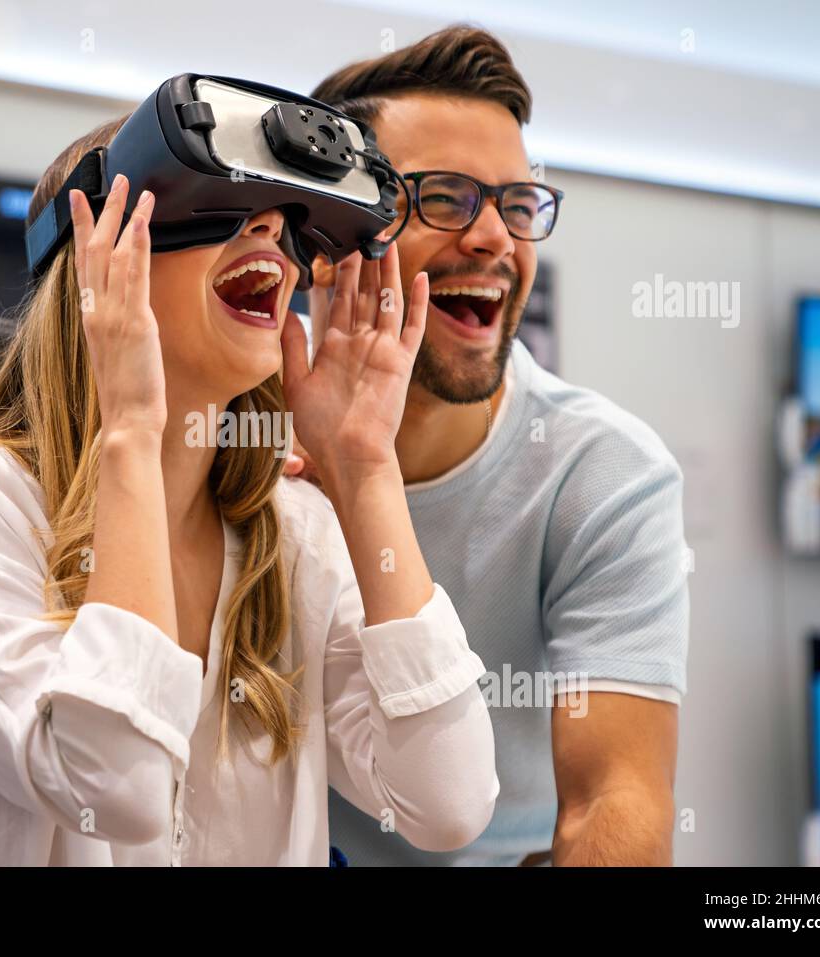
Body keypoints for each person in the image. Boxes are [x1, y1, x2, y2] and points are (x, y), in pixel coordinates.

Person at [0, 113, 499, 865]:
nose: (271, 233)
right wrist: (130, 433)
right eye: (214, 203)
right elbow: (115, 786)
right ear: (91, 269)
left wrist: (364, 467)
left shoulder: (296, 530)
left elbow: (450, 804)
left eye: (288, 226)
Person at [291, 25, 689, 866]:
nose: (495, 240)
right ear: (327, 233)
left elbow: (618, 798)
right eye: (445, 197)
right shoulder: (235, 432)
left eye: (516, 205)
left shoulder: (603, 472)